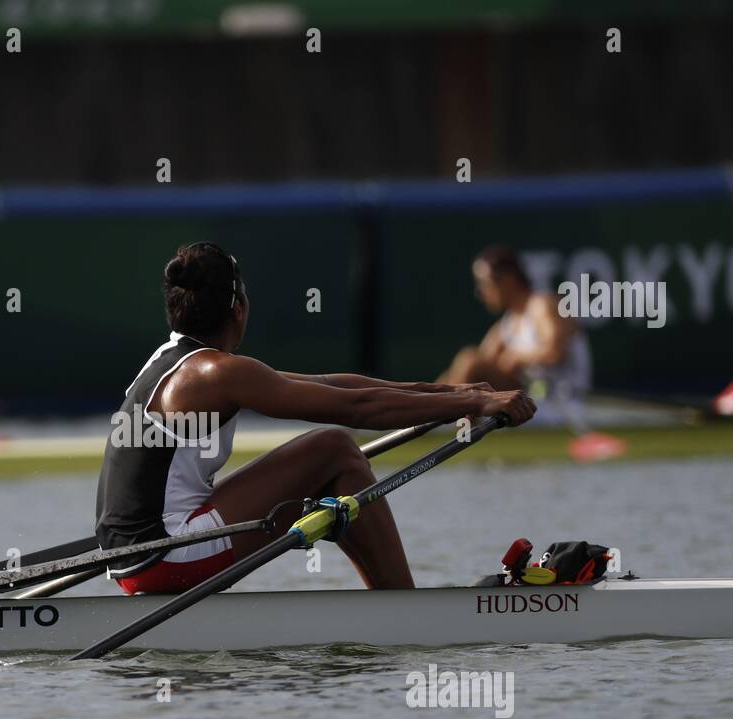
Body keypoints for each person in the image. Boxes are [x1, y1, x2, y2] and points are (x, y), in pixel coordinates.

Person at [94, 241, 535, 595]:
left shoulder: (182, 362)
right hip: (163, 557)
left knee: (334, 462)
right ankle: (403, 606)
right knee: (335, 448)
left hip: (134, 556)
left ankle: (397, 603)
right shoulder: (217, 373)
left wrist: (455, 392)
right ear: (239, 309)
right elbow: (357, 410)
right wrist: (473, 408)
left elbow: (336, 386)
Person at [439, 246, 591, 410]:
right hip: (531, 398)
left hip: (560, 403)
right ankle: (428, 415)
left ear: (508, 280)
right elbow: (473, 365)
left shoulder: (541, 305)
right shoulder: (506, 325)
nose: (481, 293)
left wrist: (516, 357)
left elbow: (554, 353)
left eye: (484, 284)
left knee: (469, 362)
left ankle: (444, 421)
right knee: (464, 365)